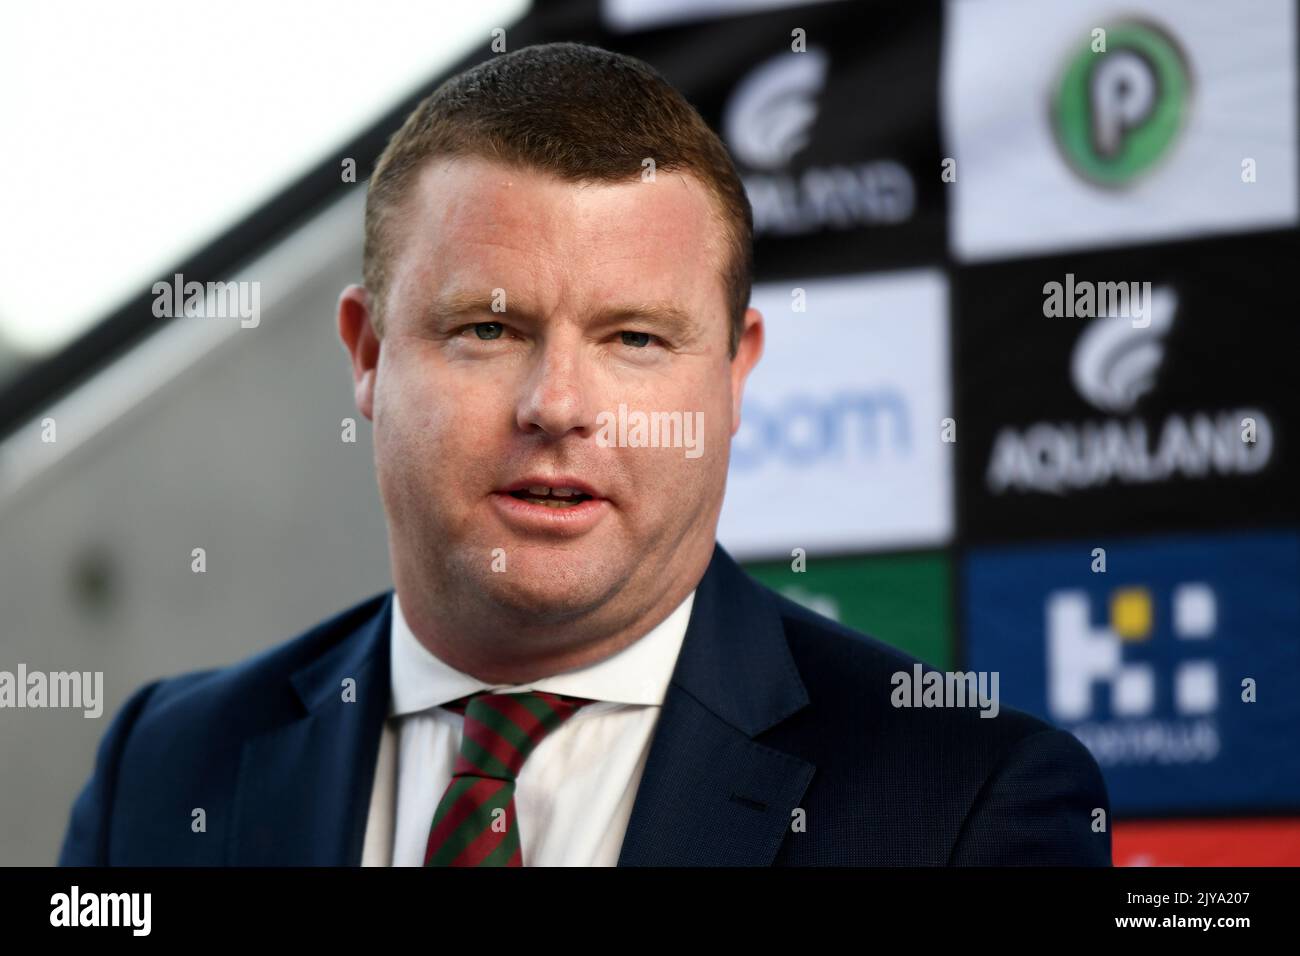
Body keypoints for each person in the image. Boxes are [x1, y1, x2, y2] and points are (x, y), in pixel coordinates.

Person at [58, 42, 1109, 867]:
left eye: (635, 339)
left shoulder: (967, 803)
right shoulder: (166, 765)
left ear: (733, 376)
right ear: (368, 354)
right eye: (487, 329)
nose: (557, 406)